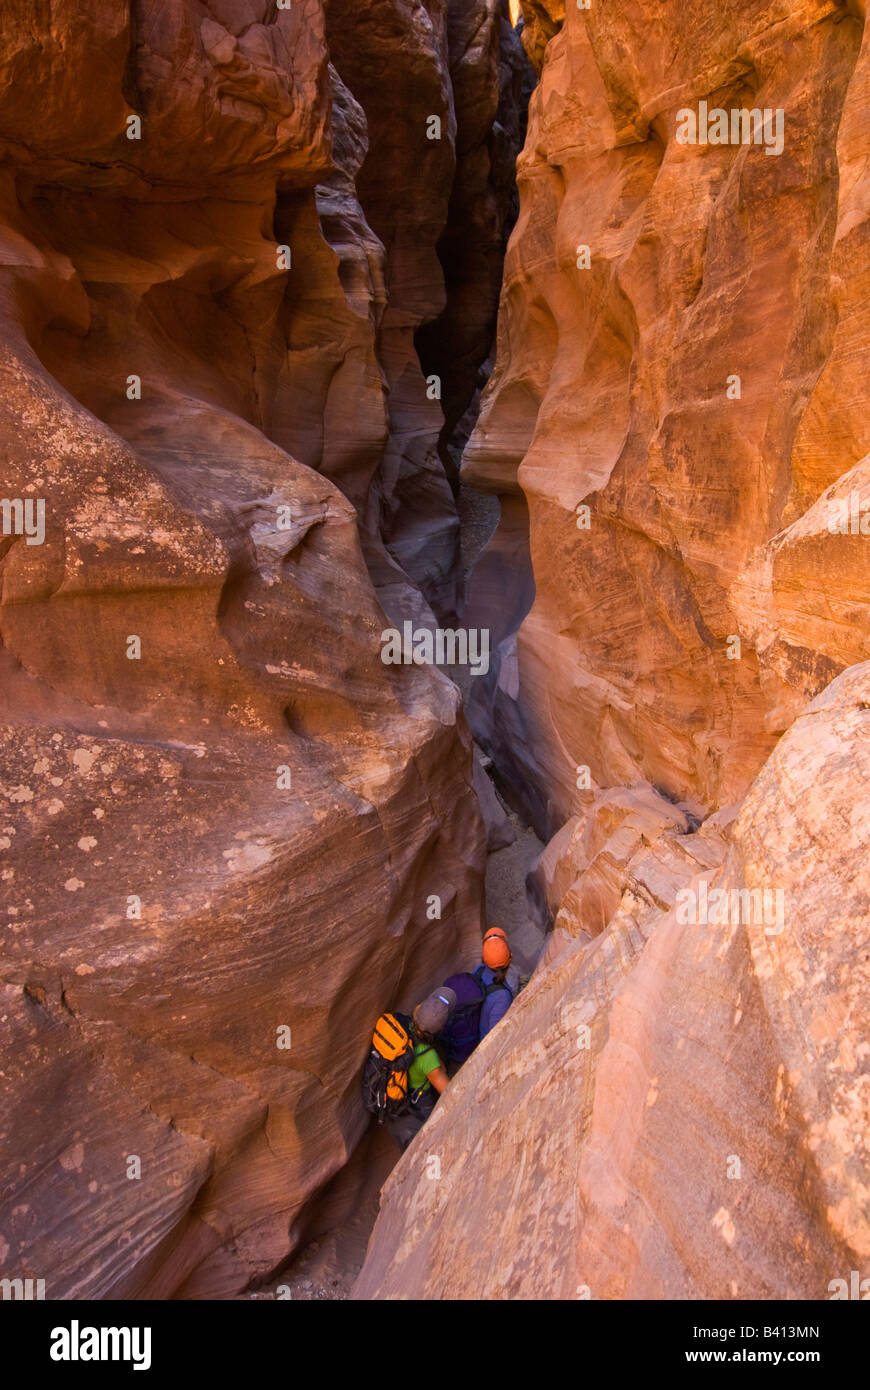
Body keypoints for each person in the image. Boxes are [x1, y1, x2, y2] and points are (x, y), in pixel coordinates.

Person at [384, 986, 455, 1152]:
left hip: (392, 1087)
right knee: (428, 1137)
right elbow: (448, 1091)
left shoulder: (402, 1024)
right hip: (418, 1101)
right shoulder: (427, 1057)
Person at [477, 927, 519, 1040]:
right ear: (510, 957)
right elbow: (495, 1037)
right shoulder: (503, 997)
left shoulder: (479, 970)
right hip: (483, 1043)